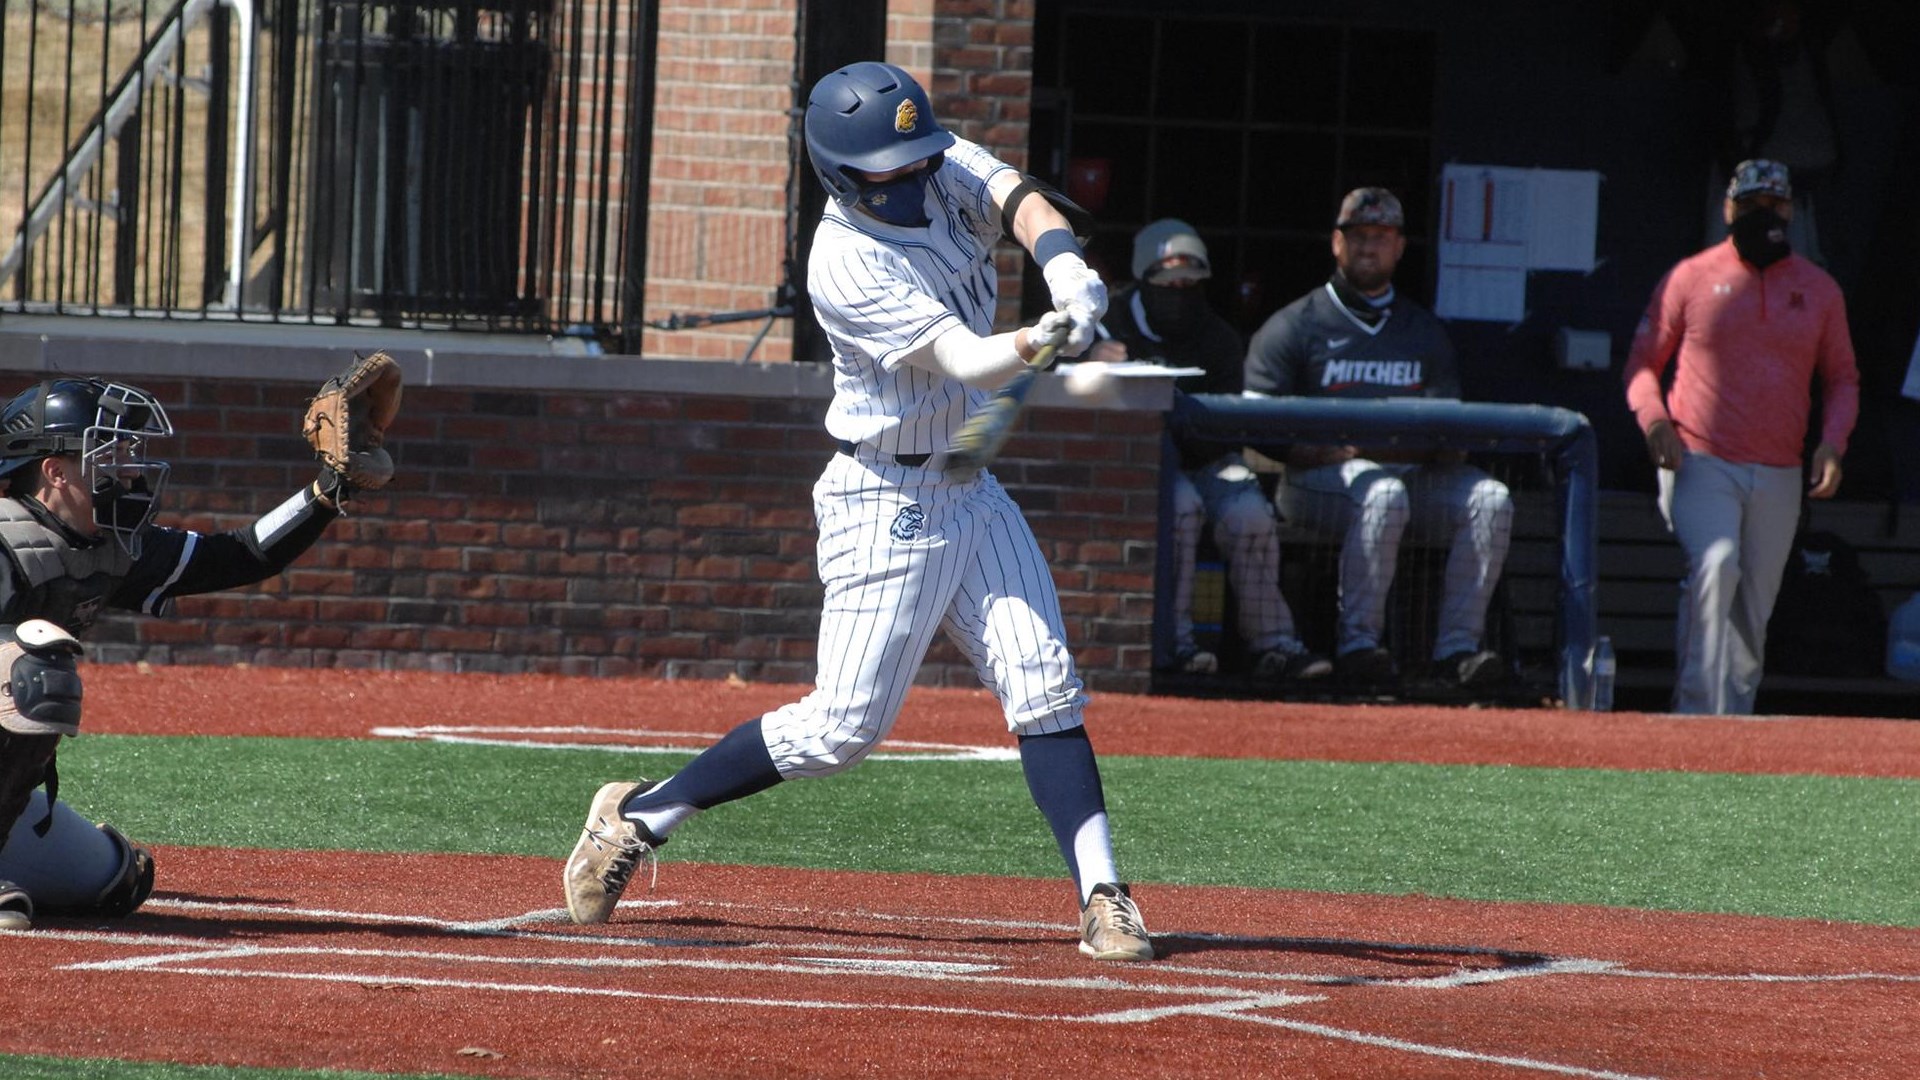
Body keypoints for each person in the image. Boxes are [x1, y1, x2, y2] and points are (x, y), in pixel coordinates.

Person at [562, 61, 1154, 963]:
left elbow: (1022, 197)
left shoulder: (931, 154)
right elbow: (965, 362)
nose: (916, 174)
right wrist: (1041, 336)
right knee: (841, 728)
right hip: (884, 496)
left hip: (967, 478)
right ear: (842, 171)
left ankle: (1105, 894)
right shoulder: (844, 260)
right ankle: (641, 814)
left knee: (1044, 681)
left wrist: (1067, 266)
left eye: (918, 156)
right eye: (893, 164)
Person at [0, 370, 383, 929]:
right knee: (36, 673)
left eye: (127, 449)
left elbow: (241, 554)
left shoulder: (104, 544)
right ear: (55, 471)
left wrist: (328, 491)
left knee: (113, 882)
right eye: (109, 451)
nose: (128, 465)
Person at [1243, 187, 1514, 688]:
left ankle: (1457, 652)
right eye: (1359, 236)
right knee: (1382, 493)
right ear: (1336, 243)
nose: (1369, 246)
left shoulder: (1423, 330)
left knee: (1491, 499)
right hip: (1314, 482)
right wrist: (1308, 449)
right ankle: (1359, 647)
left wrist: (1371, 444)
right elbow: (1256, 420)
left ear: (1400, 247)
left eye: (1382, 236)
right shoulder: (1295, 324)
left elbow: (1448, 432)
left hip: (1412, 479)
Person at [1623, 158, 1859, 715]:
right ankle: (1696, 714)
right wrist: (1655, 421)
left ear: (1791, 212)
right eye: (1752, 206)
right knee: (1716, 564)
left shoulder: (1819, 289)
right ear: (1729, 209)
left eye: (1776, 207)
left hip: (1779, 468)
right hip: (1701, 458)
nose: (1765, 216)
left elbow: (1843, 377)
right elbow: (1641, 363)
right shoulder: (1691, 276)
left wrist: (1833, 442)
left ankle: (1736, 721)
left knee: (1756, 601)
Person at [1091, 218, 1331, 681]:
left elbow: (1222, 429)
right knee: (1180, 508)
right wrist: (1084, 357)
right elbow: (1046, 357)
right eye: (1167, 283)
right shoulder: (1110, 324)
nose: (1179, 293)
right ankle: (1177, 646)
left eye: (1190, 283)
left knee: (1251, 517)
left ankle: (1274, 645)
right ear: (1144, 279)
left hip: (1207, 459)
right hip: (1143, 464)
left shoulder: (1217, 337)